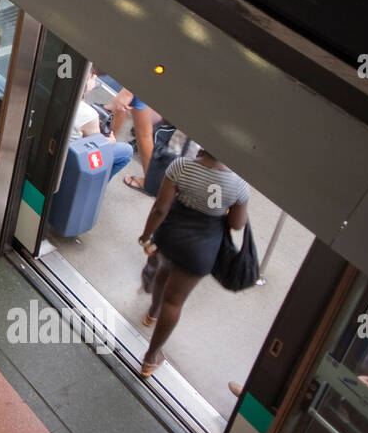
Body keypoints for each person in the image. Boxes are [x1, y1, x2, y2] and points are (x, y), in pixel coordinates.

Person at [136, 149, 250, 376]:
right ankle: (150, 359)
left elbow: (160, 208)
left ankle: (152, 312)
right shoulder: (238, 184)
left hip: (170, 235)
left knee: (163, 270)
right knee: (174, 302)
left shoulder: (181, 166)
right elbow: (237, 224)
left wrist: (147, 235)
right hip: (201, 248)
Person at [99, 73, 162, 192]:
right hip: (145, 78)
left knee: (142, 132)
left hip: (137, 78)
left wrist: (128, 91)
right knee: (143, 132)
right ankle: (151, 182)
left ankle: (150, 182)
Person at [69, 66, 133, 179]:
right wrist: (111, 141)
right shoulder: (88, 115)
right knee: (126, 151)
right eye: (91, 75)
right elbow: (97, 148)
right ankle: (94, 187)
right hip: (71, 162)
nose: (95, 76)